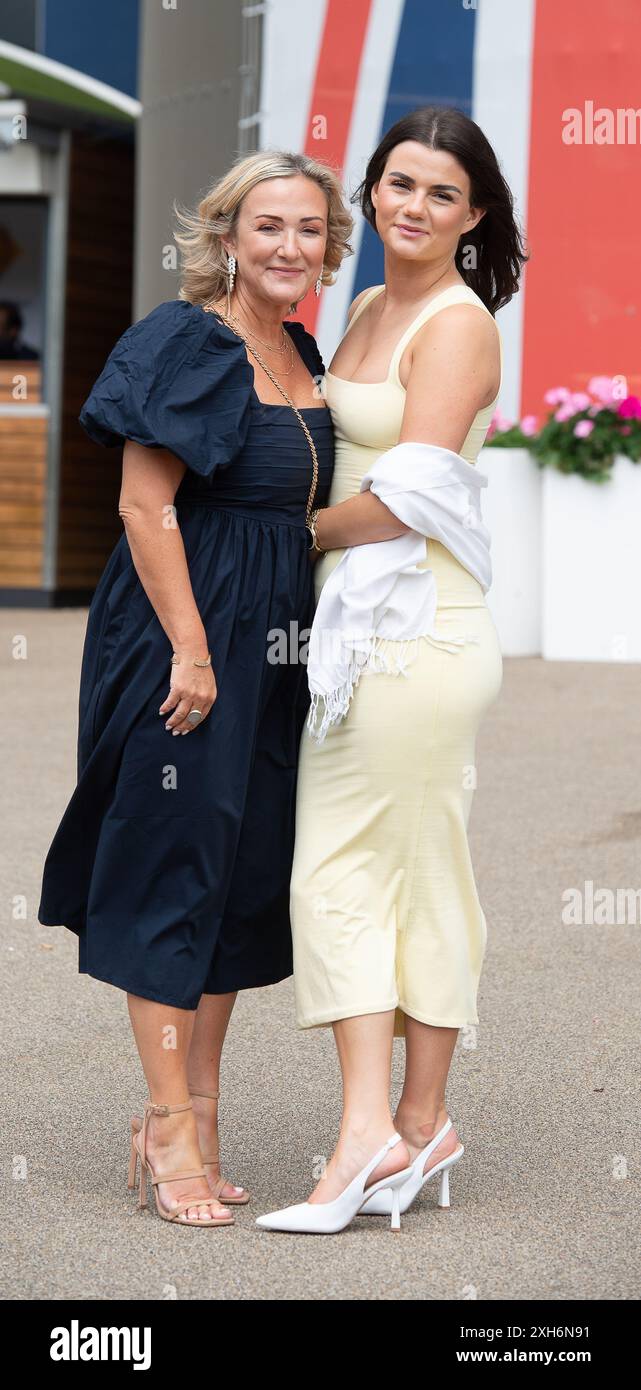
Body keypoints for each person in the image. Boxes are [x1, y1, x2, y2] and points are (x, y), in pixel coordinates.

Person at [38, 149, 352, 1228]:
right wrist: (191, 646)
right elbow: (141, 503)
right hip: (189, 632)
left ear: (328, 247)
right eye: (267, 225)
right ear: (225, 235)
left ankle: (197, 1118)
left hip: (275, 641)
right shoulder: (187, 339)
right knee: (175, 859)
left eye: (308, 229)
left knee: (237, 872)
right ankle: (167, 1123)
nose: (287, 246)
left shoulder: (300, 348)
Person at [256, 107, 527, 1234]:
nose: (412, 207)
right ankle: (416, 1126)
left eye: (440, 195)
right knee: (395, 869)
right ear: (369, 192)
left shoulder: (456, 325)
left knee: (341, 871)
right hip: (358, 628)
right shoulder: (368, 305)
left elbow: (408, 495)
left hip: (418, 631)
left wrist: (280, 533)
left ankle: (376, 1134)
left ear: (471, 218)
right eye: (397, 184)